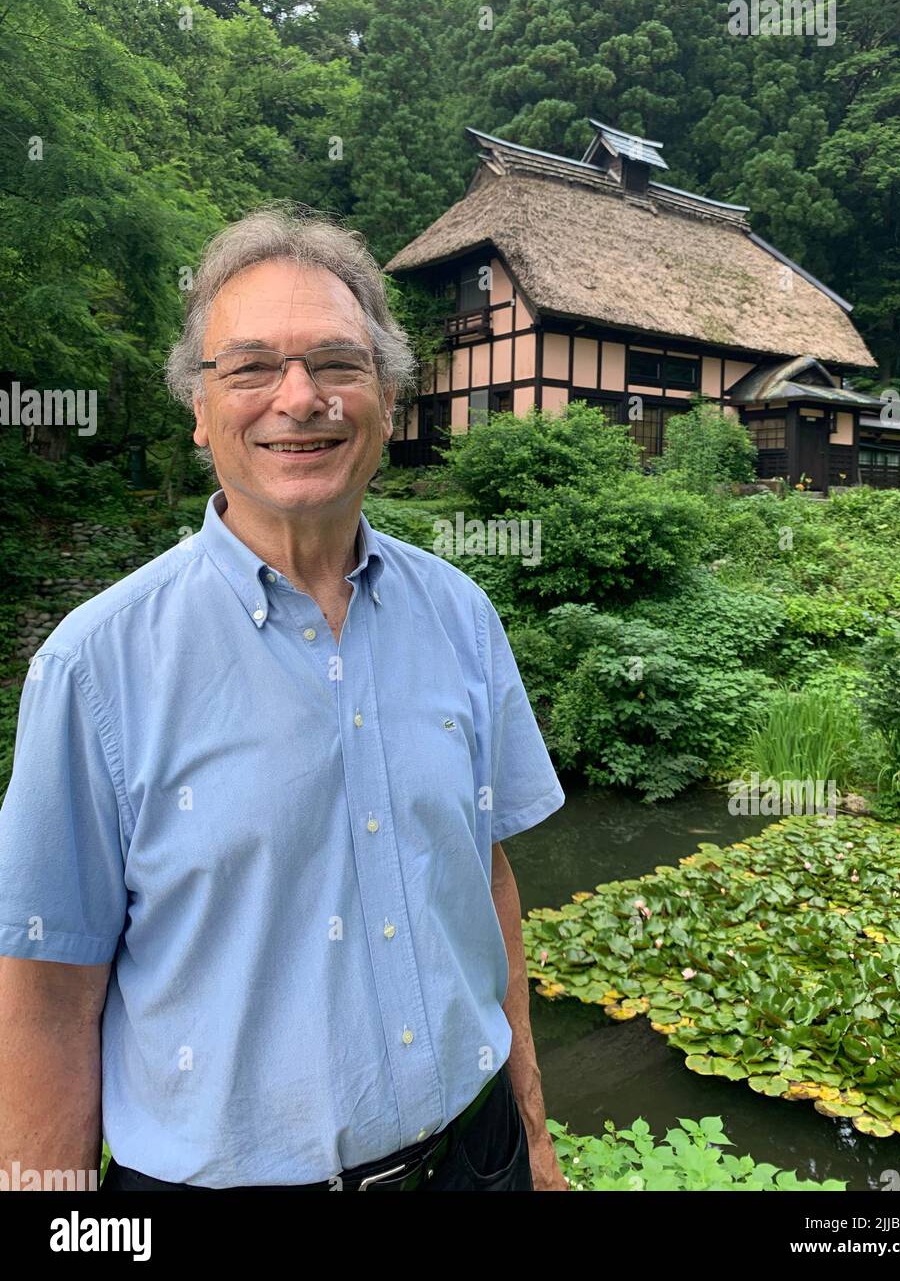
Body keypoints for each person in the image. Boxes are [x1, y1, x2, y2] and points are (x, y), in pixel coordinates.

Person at [0, 205, 568, 1192]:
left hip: (482, 1162)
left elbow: (487, 881)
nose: (300, 399)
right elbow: (45, 999)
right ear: (199, 406)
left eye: (339, 364)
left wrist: (537, 1134)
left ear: (387, 396)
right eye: (252, 366)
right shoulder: (93, 669)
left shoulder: (463, 616)